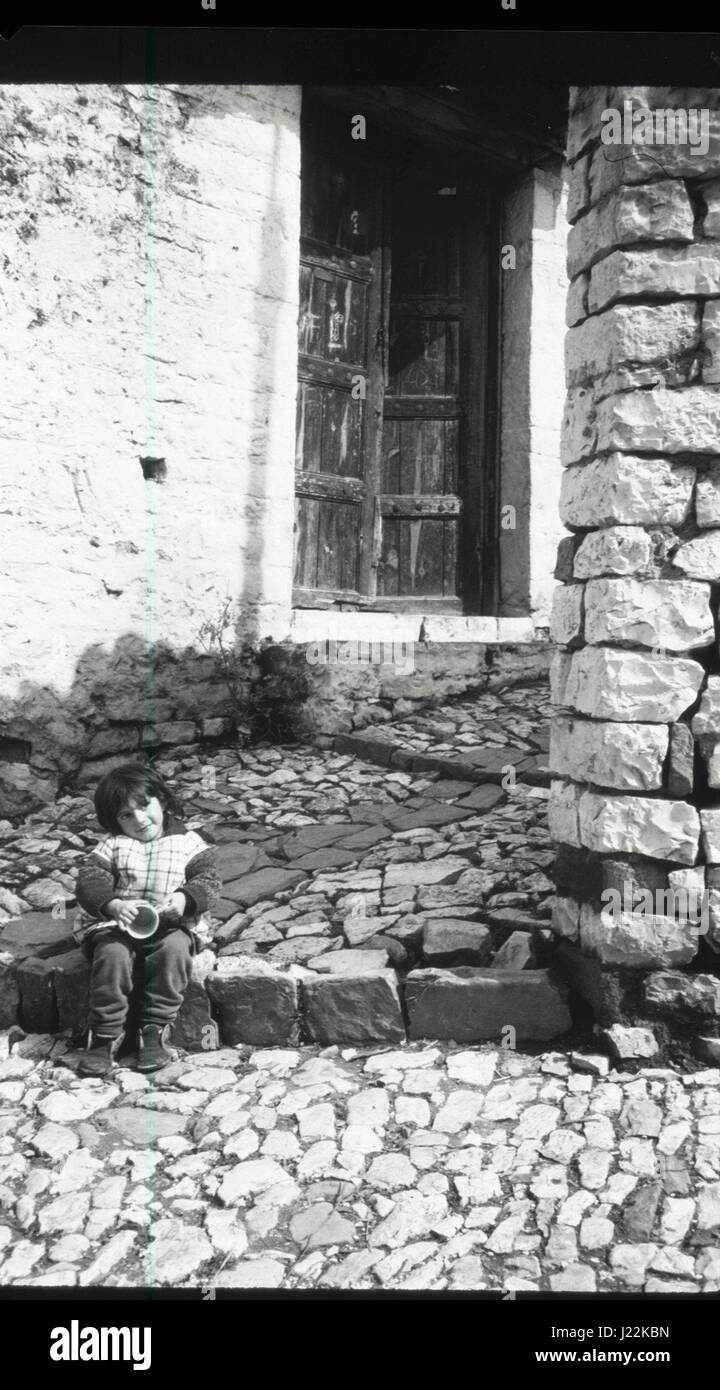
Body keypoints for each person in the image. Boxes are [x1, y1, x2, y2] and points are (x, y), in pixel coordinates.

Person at [73, 762, 220, 1077]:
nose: (139, 820)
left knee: (176, 951)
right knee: (111, 954)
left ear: (163, 801)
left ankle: (153, 1030)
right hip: (121, 925)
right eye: (126, 815)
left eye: (144, 806)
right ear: (114, 821)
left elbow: (208, 880)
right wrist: (112, 904)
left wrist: (184, 899)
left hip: (172, 925)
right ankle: (105, 1035)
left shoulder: (189, 843)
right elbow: (89, 881)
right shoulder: (112, 846)